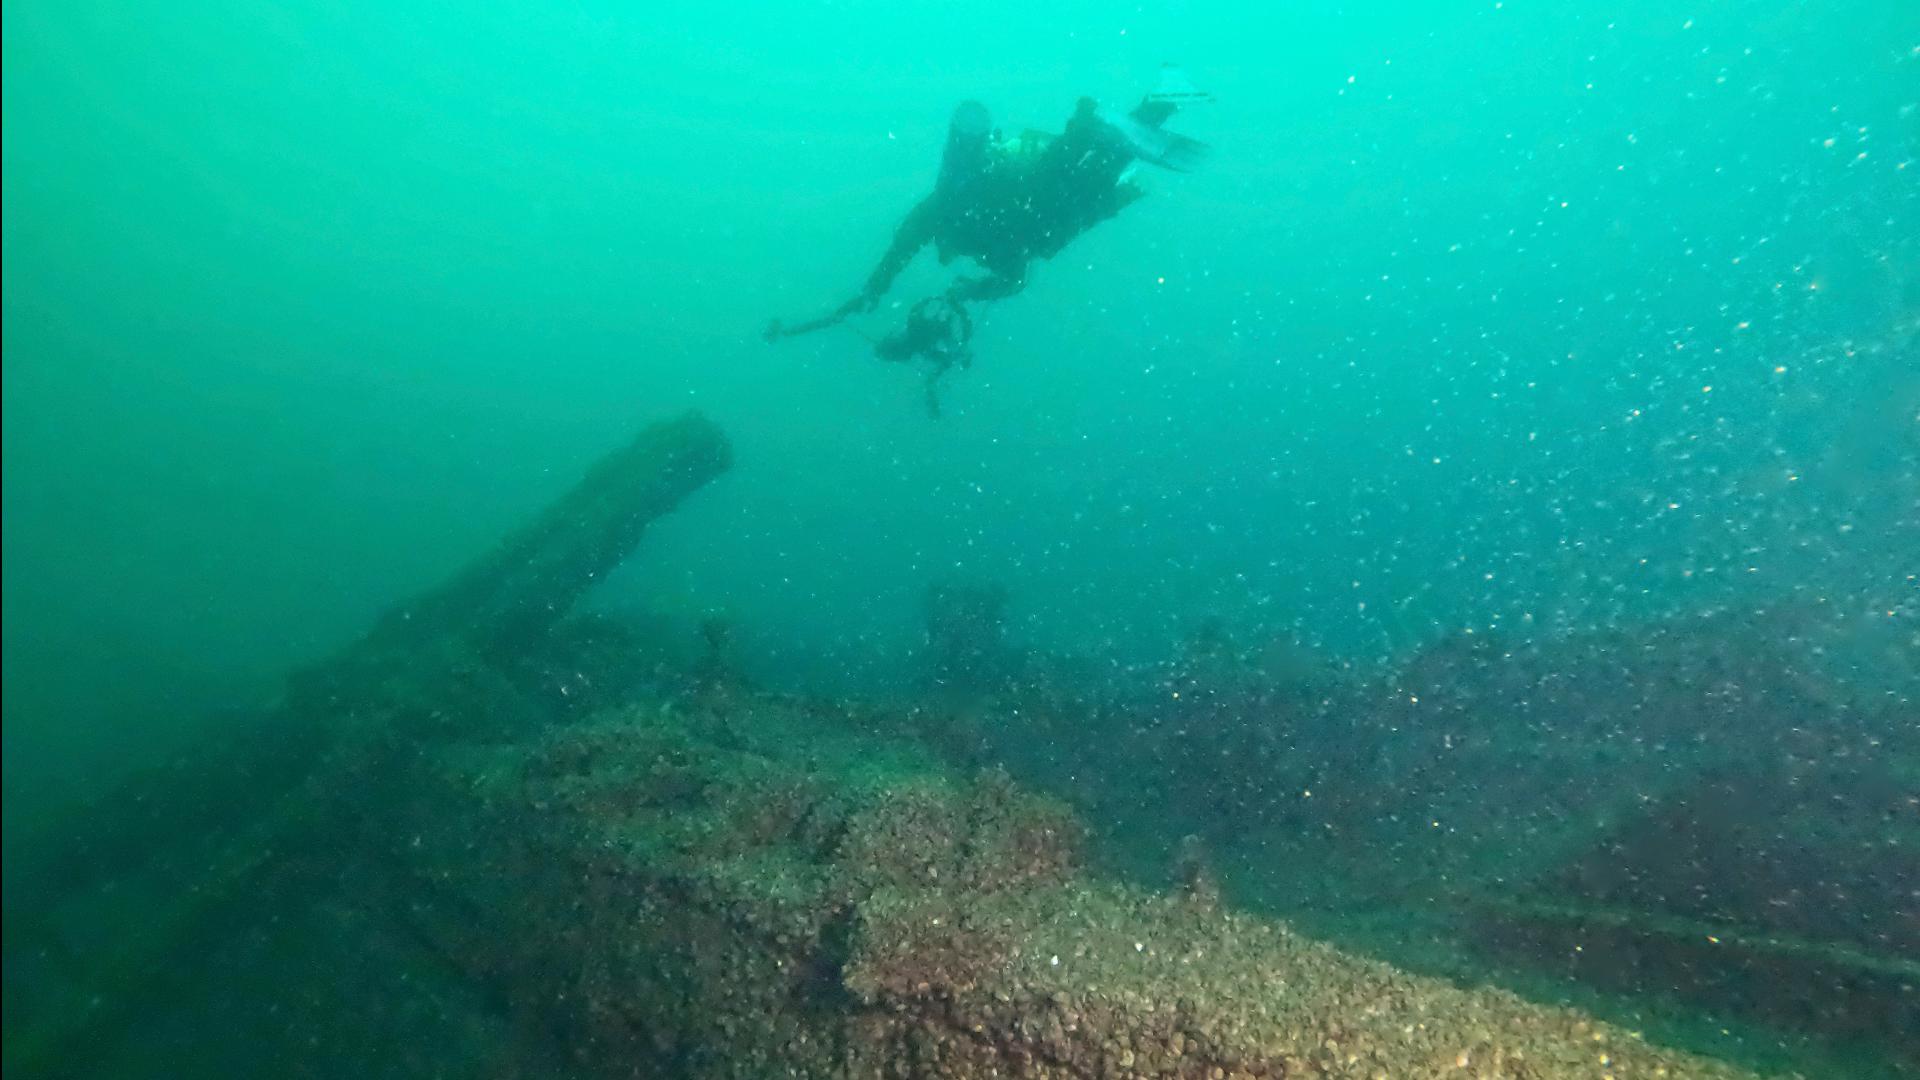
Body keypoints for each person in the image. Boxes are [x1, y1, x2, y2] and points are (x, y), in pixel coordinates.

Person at [765, 66, 1210, 375]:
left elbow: (910, 249)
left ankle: (1113, 121)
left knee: (1086, 185)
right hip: (1025, 194)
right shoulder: (949, 218)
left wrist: (880, 290)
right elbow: (905, 247)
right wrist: (882, 289)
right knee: (1078, 182)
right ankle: (1153, 104)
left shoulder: (953, 225)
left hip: (1030, 203)